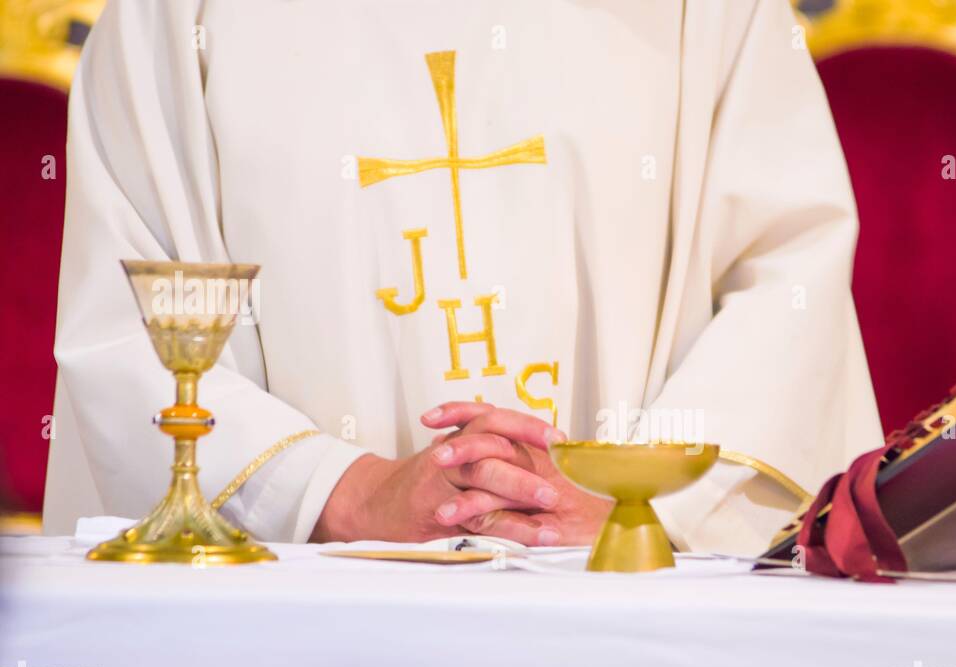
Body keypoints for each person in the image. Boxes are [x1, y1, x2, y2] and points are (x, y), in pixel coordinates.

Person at [46, 0, 881, 555]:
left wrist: (636, 509)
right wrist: (338, 490)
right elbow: (128, 314)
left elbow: (786, 275)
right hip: (298, 625)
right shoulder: (176, 15)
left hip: (624, 612)